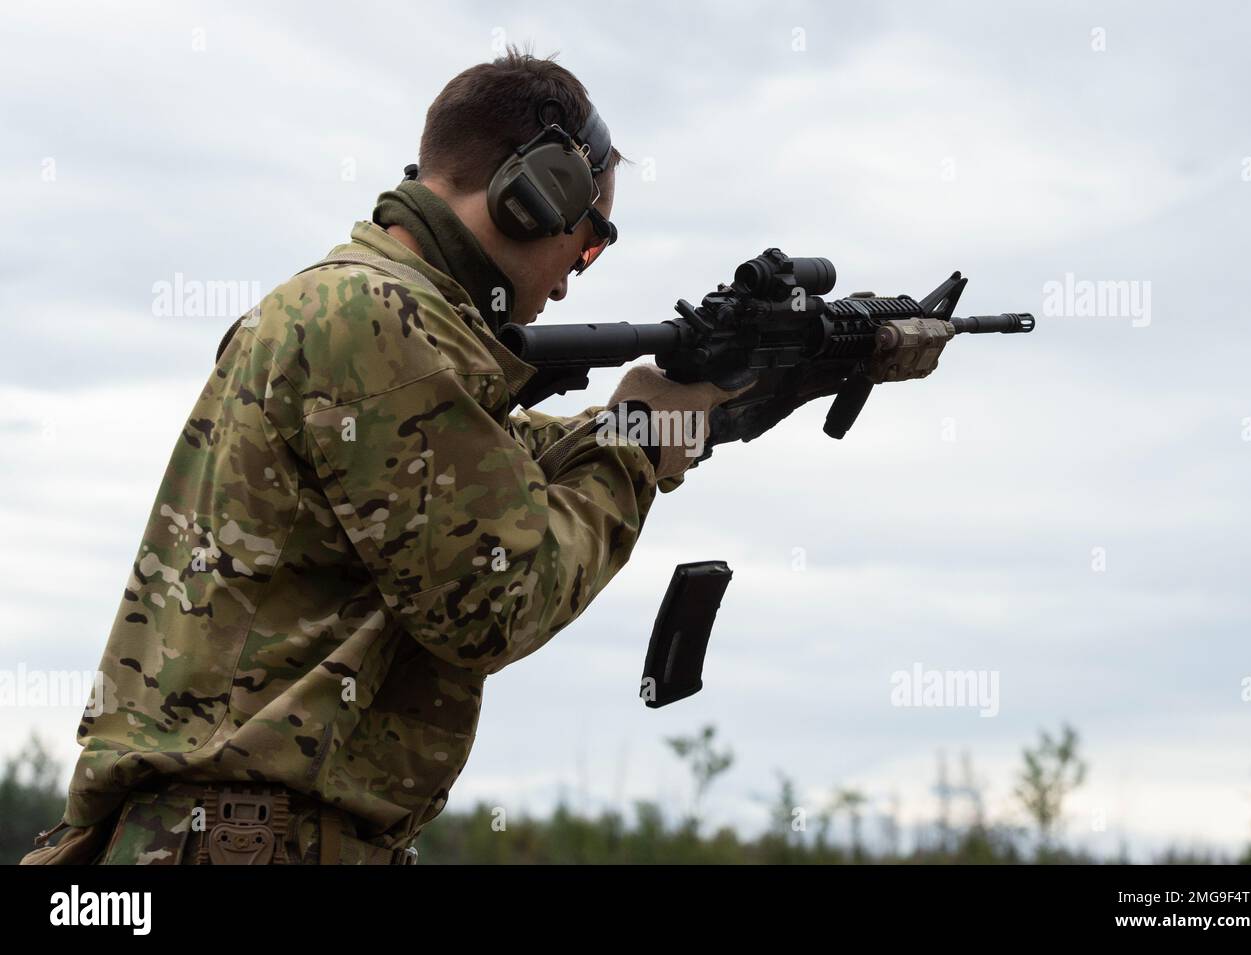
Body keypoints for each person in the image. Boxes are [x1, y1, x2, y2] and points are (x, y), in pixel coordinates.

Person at [22, 47, 750, 865]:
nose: (567, 284)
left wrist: (646, 423)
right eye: (589, 243)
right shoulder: (375, 317)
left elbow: (491, 463)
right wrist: (635, 451)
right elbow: (496, 599)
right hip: (251, 841)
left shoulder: (370, 312)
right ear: (536, 194)